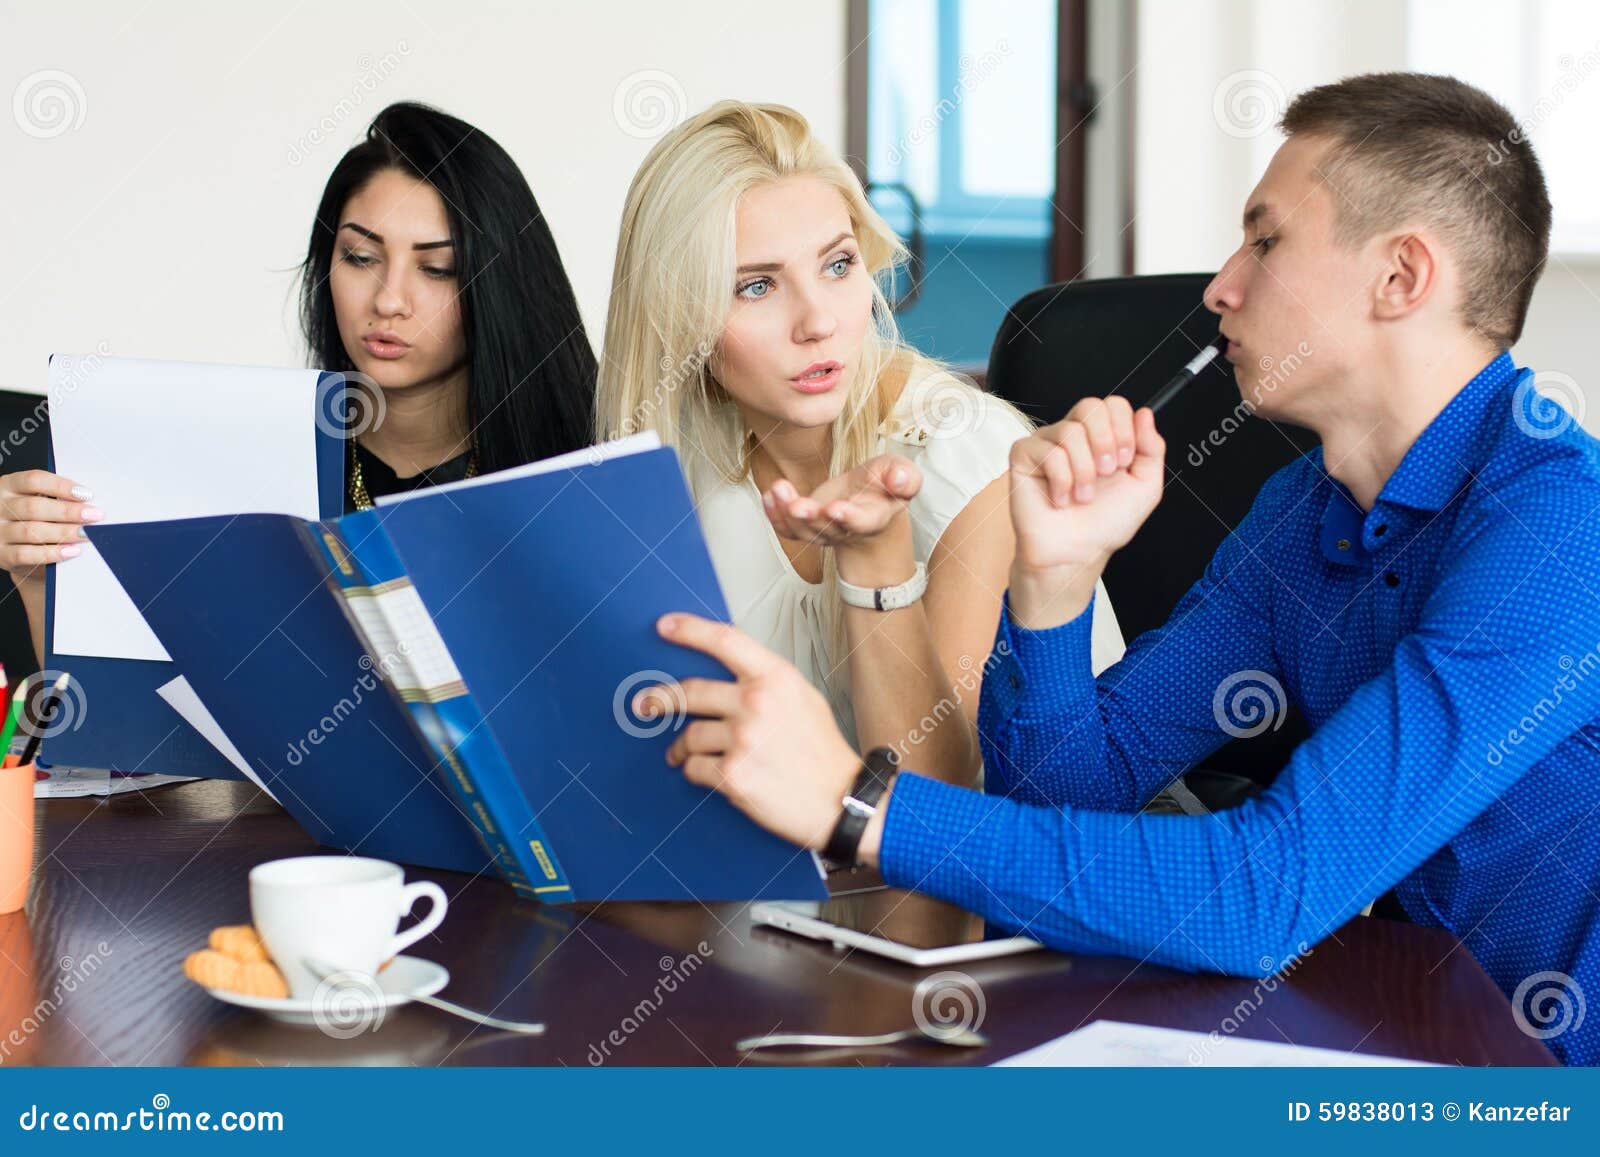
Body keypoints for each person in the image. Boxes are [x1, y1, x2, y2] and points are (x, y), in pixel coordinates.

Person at [633, 74, 1600, 1066]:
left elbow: (1269, 892)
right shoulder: (1301, 513)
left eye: (1264, 240)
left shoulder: (1565, 531)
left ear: (1399, 277)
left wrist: (859, 807)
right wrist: (1051, 588)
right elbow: (1073, 804)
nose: (1219, 285)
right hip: (1398, 1040)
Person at [597, 101, 1122, 784]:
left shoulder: (968, 455)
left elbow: (931, 802)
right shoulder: (682, 462)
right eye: (757, 285)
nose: (818, 321)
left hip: (999, 868)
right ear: (678, 316)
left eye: (838, 265)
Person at [0, 102, 598, 662]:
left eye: (437, 269)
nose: (389, 300)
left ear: (500, 285)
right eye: (361, 258)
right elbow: (130, 722)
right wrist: (42, 576)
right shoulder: (257, 466)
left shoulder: (584, 473)